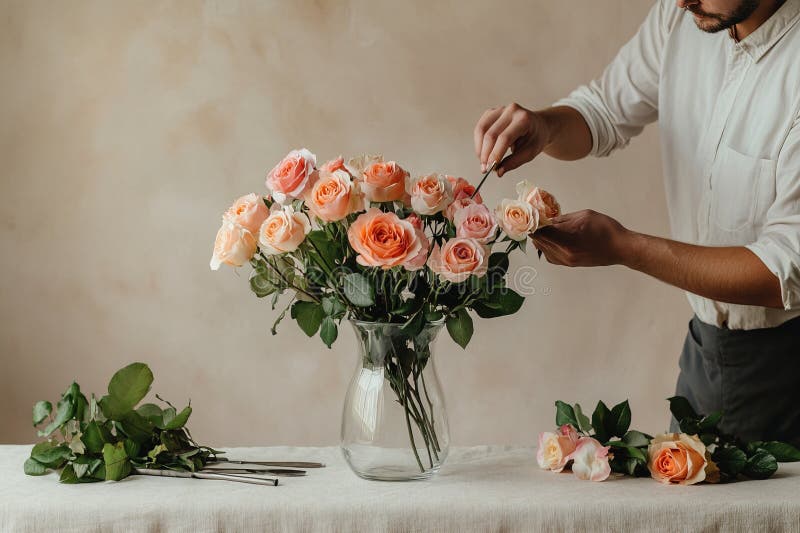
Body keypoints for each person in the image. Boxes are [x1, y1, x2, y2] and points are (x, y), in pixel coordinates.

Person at [474, 0, 800, 445]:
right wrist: (545, 125)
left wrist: (623, 248)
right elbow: (604, 110)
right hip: (703, 354)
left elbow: (784, 270)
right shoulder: (683, 14)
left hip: (785, 370)